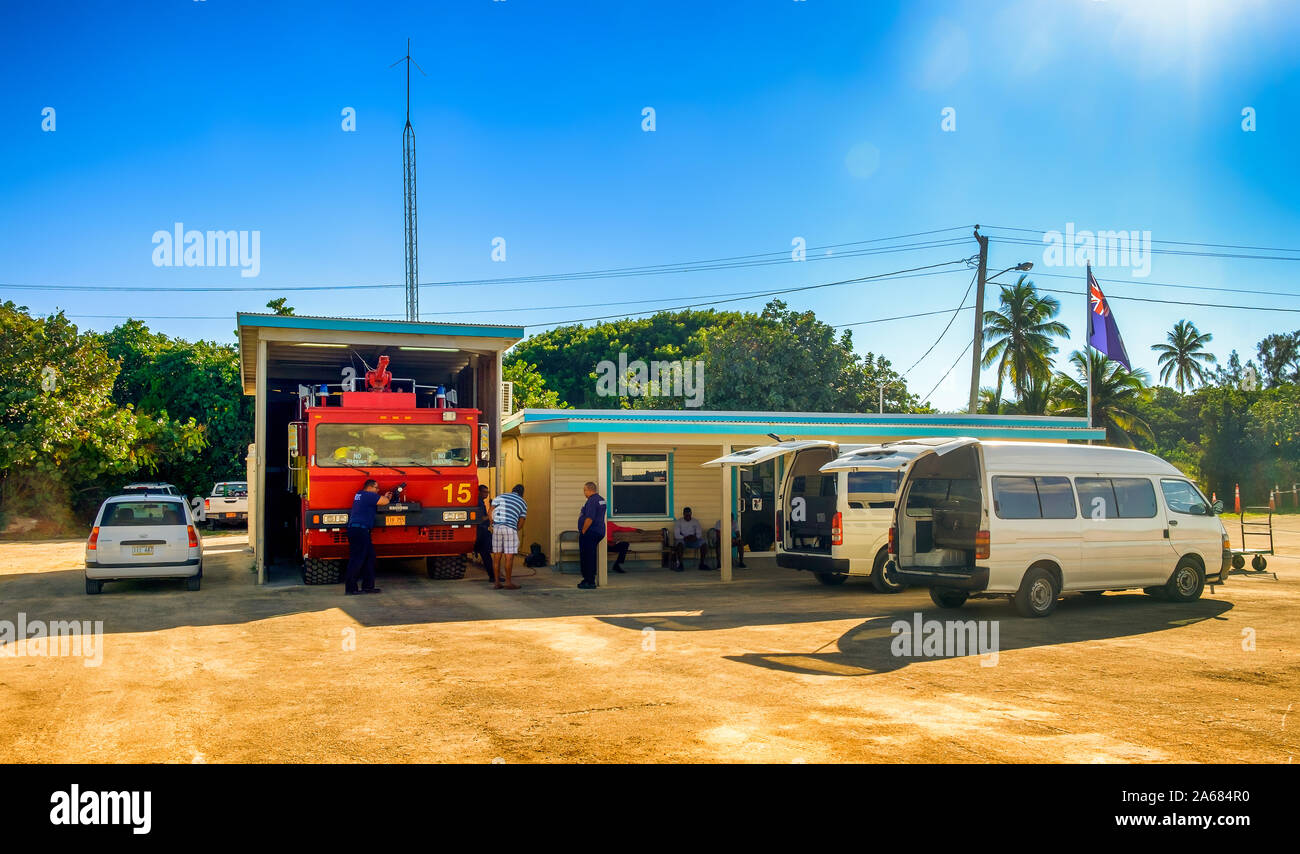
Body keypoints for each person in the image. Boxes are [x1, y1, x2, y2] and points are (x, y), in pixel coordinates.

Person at [345, 479, 392, 594]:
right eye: (377, 488)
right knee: (357, 560)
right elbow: (384, 502)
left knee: (369, 558)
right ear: (370, 487)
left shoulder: (359, 495)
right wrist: (388, 496)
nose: (378, 490)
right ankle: (351, 589)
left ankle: (368, 586)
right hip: (360, 530)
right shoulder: (368, 495)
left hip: (358, 530)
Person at [491, 484, 527, 590]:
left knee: (497, 557)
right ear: (522, 493)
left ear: (512, 490)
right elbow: (521, 522)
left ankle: (497, 583)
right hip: (510, 528)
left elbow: (491, 510)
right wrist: (515, 529)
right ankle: (508, 582)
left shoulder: (501, 497)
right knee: (509, 557)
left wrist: (492, 522)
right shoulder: (523, 502)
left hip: (497, 528)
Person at [576, 482, 607, 589]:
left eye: (584, 490)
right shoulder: (601, 499)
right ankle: (589, 579)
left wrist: (583, 531)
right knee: (591, 555)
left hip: (590, 532)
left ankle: (589, 581)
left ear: (588, 490)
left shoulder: (592, 500)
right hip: (599, 531)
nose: (584, 492)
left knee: (587, 557)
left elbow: (589, 518)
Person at [672, 506, 711, 571]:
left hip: (693, 540)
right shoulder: (679, 521)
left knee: (704, 543)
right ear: (683, 514)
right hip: (683, 540)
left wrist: (695, 537)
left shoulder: (695, 521)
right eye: (686, 514)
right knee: (679, 545)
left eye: (689, 514)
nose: (688, 516)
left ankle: (702, 564)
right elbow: (676, 535)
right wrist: (685, 537)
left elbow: (699, 534)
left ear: (691, 514)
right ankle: (680, 565)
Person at [474, 485, 495, 583]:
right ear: (478, 492)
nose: (486, 494)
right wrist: (491, 513)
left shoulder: (481, 502)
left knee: (486, 555)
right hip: (481, 531)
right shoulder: (478, 503)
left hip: (481, 531)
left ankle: (493, 575)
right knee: (487, 555)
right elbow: (481, 519)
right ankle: (493, 576)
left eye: (487, 492)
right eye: (484, 492)